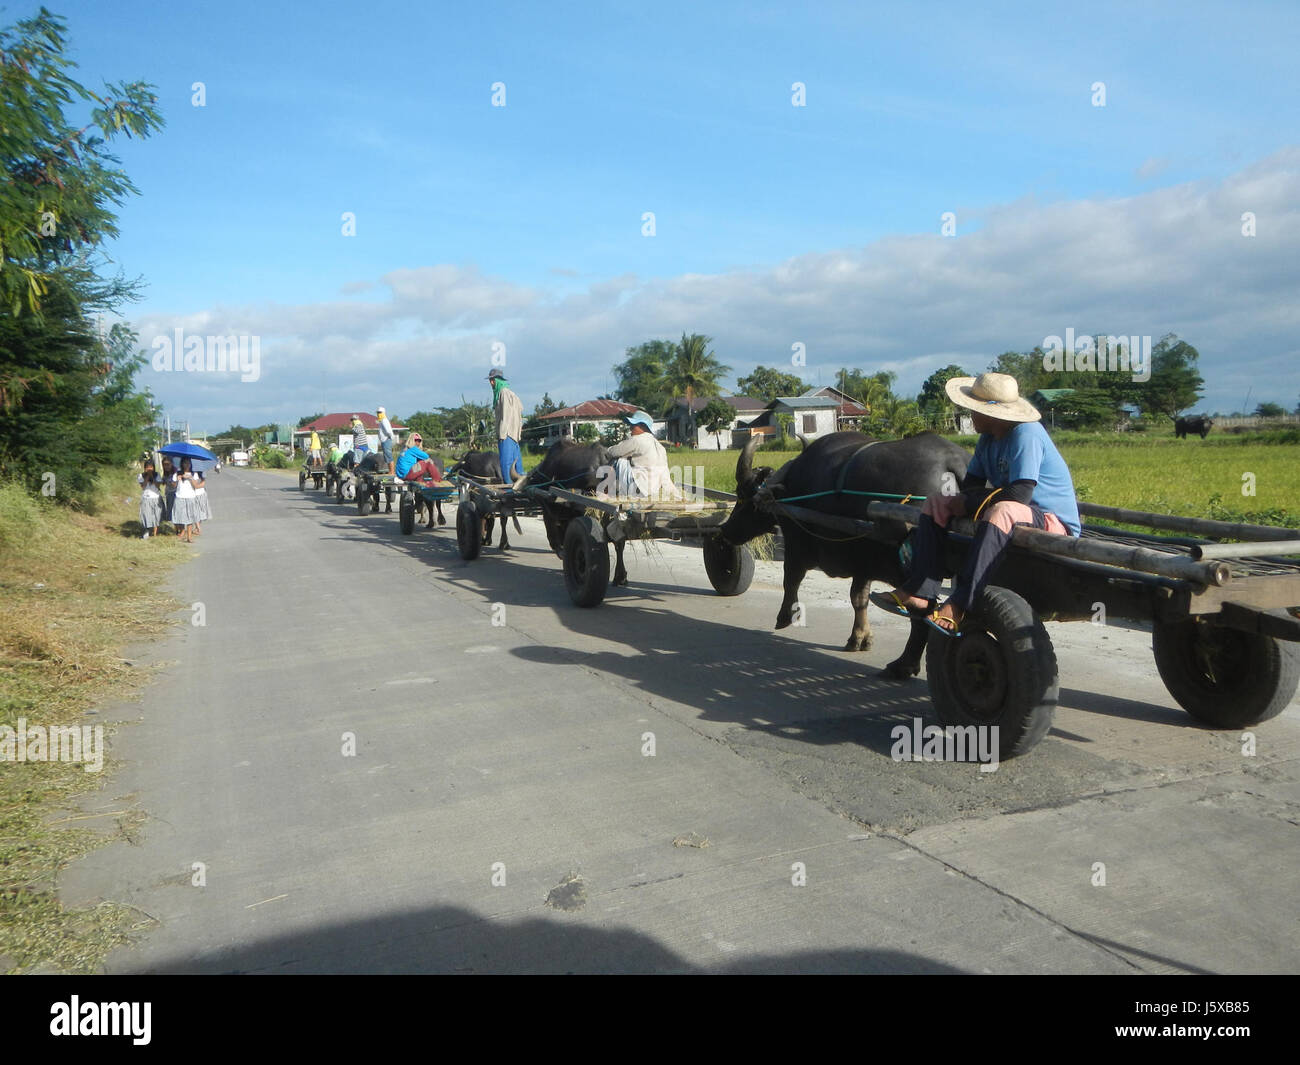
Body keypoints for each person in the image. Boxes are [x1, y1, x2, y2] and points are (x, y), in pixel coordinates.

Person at [874, 372, 1080, 636]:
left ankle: (960, 604)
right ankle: (921, 591)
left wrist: (969, 504)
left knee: (1001, 511)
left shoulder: (1025, 434)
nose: (970, 415)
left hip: (1051, 520)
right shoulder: (988, 438)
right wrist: (961, 502)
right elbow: (971, 485)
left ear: (992, 413)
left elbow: (1020, 494)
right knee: (937, 502)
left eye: (974, 410)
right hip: (1017, 511)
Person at [607, 410, 678, 499]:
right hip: (656, 488)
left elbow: (613, 451)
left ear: (642, 426)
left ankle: (609, 492)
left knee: (619, 461)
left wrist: (608, 449)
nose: (630, 428)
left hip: (641, 487)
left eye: (633, 425)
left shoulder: (637, 440)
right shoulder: (660, 446)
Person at [488, 369, 523, 482]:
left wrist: (502, 434)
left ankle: (509, 488)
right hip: (514, 434)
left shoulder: (503, 393)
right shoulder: (511, 394)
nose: (491, 383)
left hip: (507, 433)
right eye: (490, 380)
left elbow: (506, 414)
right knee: (517, 464)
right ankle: (521, 486)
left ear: (498, 380)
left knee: (506, 464)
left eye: (493, 380)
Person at [172, 457, 200, 543]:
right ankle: (182, 532)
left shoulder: (194, 474)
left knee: (190, 518)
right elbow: (173, 485)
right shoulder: (177, 473)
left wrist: (191, 478)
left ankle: (189, 537)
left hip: (190, 497)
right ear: (182, 464)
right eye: (185, 463)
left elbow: (196, 486)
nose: (187, 465)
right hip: (180, 497)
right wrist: (178, 479)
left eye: (188, 463)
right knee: (180, 517)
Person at [139, 470, 162, 540]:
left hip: (155, 497)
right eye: (147, 467)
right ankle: (146, 531)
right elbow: (143, 487)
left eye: (151, 467)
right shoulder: (141, 475)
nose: (149, 469)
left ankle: (155, 533)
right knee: (146, 515)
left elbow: (158, 486)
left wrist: (152, 476)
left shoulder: (157, 475)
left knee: (155, 516)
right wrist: (147, 477)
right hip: (146, 498)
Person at [376, 407, 396, 475]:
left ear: (383, 413)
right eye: (378, 412)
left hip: (386, 439)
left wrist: (390, 437)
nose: (378, 414)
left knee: (388, 456)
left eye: (380, 412)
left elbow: (388, 431)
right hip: (384, 440)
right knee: (386, 456)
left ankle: (392, 472)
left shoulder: (384, 420)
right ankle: (390, 471)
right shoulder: (382, 420)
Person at [160, 458, 177, 532]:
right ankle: (175, 528)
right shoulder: (166, 473)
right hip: (168, 493)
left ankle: (178, 529)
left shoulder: (175, 472)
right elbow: (163, 483)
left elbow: (175, 485)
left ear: (171, 464)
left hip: (175, 493)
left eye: (168, 464)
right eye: (164, 465)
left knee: (174, 511)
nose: (166, 466)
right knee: (170, 511)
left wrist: (171, 482)